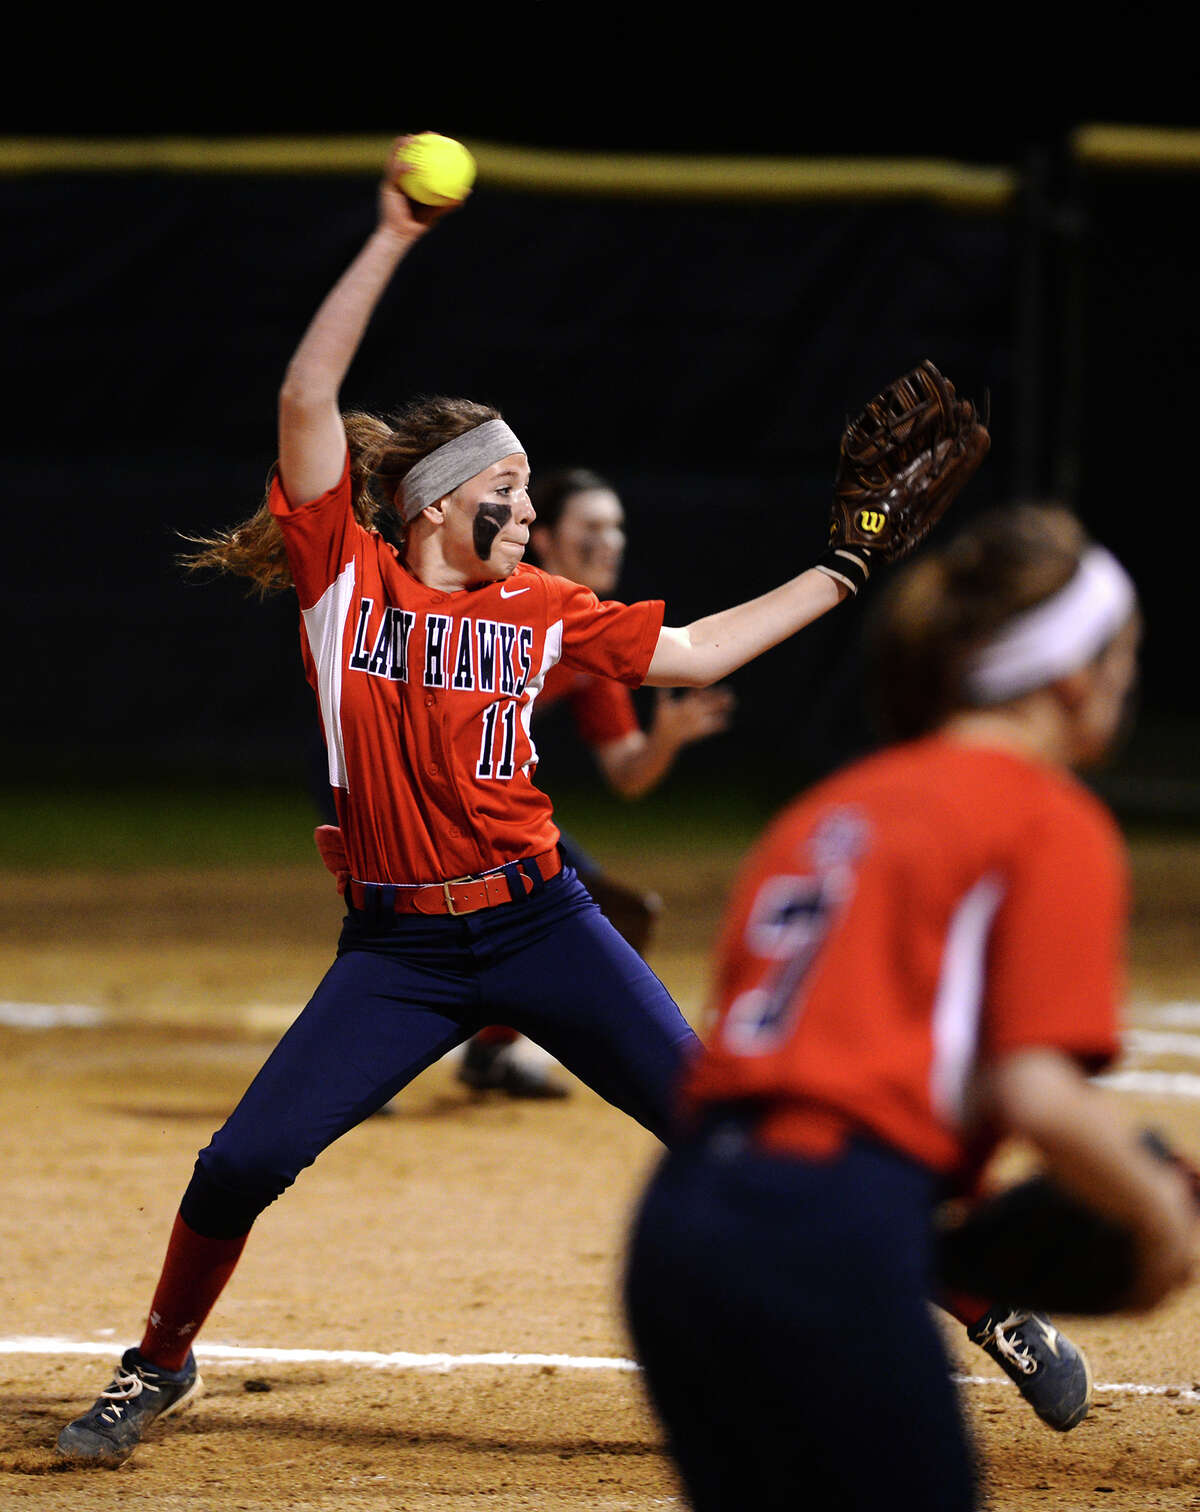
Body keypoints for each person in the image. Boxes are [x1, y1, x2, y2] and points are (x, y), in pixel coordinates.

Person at [54, 137, 866, 1469]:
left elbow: (702, 652)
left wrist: (847, 562)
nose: (531, 516)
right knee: (237, 1166)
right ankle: (160, 1362)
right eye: (511, 493)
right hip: (400, 952)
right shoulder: (345, 581)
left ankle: (977, 1312)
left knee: (717, 1125)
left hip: (544, 923)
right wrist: (392, 236)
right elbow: (311, 389)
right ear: (441, 504)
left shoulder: (539, 606)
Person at [623, 502, 1198, 1511]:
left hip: (678, 1232)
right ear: (1067, 672)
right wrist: (1161, 1222)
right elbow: (1036, 1092)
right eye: (1123, 653)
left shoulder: (834, 806)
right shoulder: (1046, 814)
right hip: (829, 1229)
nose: (1129, 679)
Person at [456, 466, 735, 1097]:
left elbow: (626, 775)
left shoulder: (585, 630)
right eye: (592, 527)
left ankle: (491, 1052)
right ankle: (373, 1044)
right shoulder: (494, 599)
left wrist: (664, 739)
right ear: (544, 537)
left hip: (481, 804)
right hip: (397, 782)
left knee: (620, 913)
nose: (611, 541)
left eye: (618, 527)